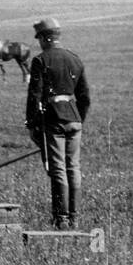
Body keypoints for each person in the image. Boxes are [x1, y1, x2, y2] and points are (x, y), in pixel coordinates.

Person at [26, 17, 91, 229]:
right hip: (74, 118)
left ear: (45, 38)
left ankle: (61, 219)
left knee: (58, 169)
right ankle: (74, 217)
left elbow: (34, 96)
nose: (39, 43)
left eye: (40, 39)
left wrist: (32, 124)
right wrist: (78, 117)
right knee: (73, 167)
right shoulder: (75, 59)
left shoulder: (40, 60)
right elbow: (85, 97)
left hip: (54, 120)